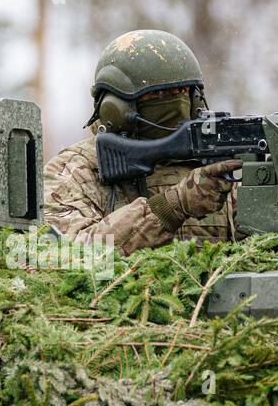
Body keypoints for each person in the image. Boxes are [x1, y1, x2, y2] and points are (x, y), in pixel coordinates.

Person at [42, 29, 241, 255]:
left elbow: (268, 253)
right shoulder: (73, 171)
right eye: (156, 96)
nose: (175, 104)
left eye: (182, 91)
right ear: (116, 108)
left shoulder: (215, 164)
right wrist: (173, 205)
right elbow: (55, 258)